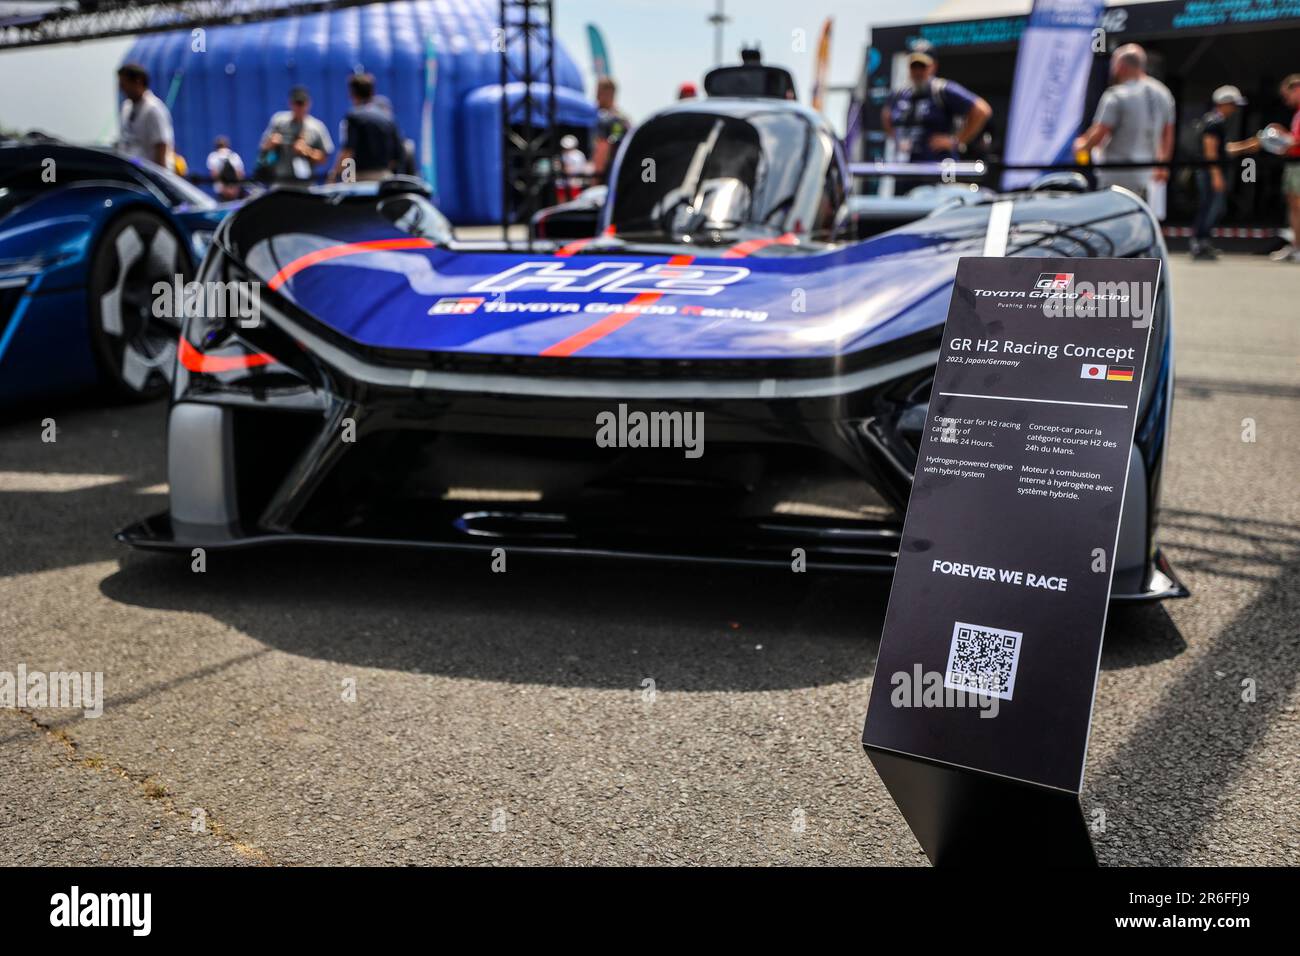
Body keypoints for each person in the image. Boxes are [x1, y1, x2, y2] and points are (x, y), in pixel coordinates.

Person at [1073, 44, 1175, 203]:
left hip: (1117, 175)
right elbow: (1168, 133)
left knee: (1111, 221)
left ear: (1120, 66)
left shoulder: (1116, 95)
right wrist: (1163, 165)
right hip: (1148, 175)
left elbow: (1100, 132)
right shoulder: (1163, 93)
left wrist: (1082, 145)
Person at [881, 51, 992, 163]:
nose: (918, 71)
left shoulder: (942, 90)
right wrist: (897, 139)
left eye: (922, 66)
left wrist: (956, 141)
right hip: (904, 168)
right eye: (914, 66)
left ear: (933, 67)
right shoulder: (900, 94)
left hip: (937, 167)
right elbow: (886, 115)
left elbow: (982, 110)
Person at [329, 73, 404, 183]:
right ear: (372, 92)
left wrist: (334, 175)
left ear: (353, 93)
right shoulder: (388, 118)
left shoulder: (354, 116)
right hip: (384, 178)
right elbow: (398, 154)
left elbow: (348, 151)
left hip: (360, 178)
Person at [257, 86, 333, 186]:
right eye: (295, 104)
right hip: (281, 183)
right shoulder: (279, 122)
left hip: (305, 185)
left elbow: (324, 159)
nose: (298, 108)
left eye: (301, 104)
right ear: (290, 103)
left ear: (308, 104)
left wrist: (306, 151)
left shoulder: (317, 127)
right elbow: (262, 148)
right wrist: (271, 143)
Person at [116, 63, 174, 169]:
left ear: (138, 81)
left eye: (124, 84)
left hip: (149, 173)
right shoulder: (127, 107)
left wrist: (158, 178)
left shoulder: (153, 109)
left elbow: (161, 144)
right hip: (132, 170)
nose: (121, 89)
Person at [591, 77, 630, 184]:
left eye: (599, 91)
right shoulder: (623, 119)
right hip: (621, 172)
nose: (596, 96)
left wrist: (595, 179)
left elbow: (603, 147)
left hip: (606, 174)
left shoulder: (606, 118)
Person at [205, 136, 245, 201]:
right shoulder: (234, 156)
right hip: (234, 190)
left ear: (216, 146)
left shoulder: (213, 156)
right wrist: (233, 188)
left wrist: (224, 188)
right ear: (227, 145)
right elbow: (240, 174)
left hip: (220, 189)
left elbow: (214, 175)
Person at [558, 134, 588, 201]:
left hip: (575, 183)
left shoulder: (578, 155)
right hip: (563, 184)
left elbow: (579, 169)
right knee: (562, 201)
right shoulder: (562, 155)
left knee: (575, 201)